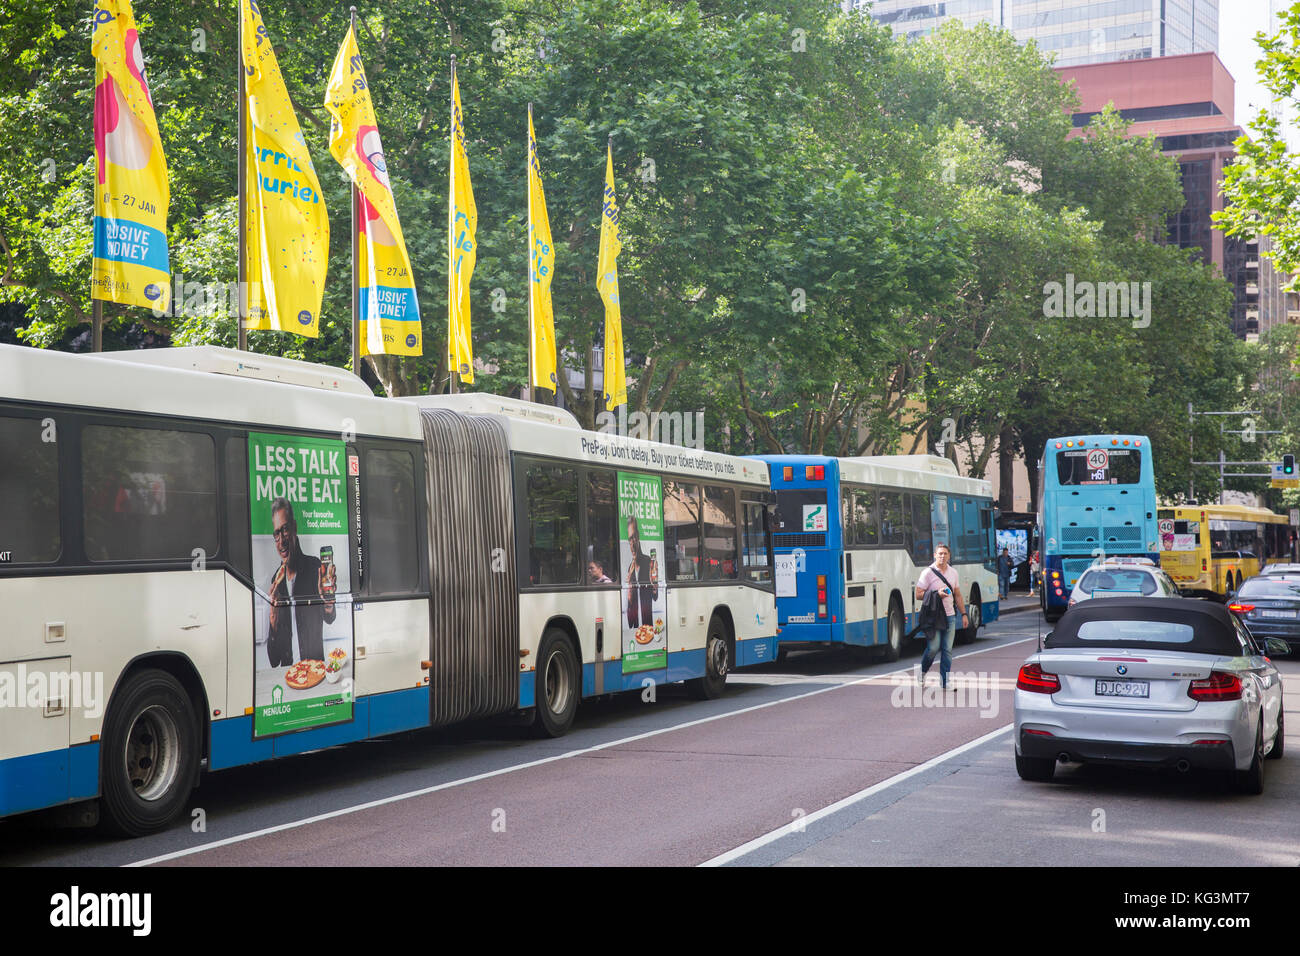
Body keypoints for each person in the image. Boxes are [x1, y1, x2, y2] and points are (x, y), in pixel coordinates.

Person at [265, 497, 336, 667]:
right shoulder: (276, 581)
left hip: (315, 670)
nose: (281, 541)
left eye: (285, 530)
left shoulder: (315, 568)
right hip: (288, 675)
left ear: (295, 528)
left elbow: (330, 618)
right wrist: (273, 616)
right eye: (276, 534)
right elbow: (274, 660)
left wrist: (328, 601)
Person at [915, 544, 967, 691]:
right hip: (933, 617)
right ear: (934, 555)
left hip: (950, 616)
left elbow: (957, 594)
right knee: (933, 648)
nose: (942, 556)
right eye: (940, 554)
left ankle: (945, 682)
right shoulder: (927, 573)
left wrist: (964, 614)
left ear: (949, 556)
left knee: (947, 650)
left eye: (945, 554)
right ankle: (923, 672)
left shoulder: (953, 573)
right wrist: (936, 593)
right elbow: (918, 594)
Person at [625, 515, 656, 628]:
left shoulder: (648, 561)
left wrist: (654, 587)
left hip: (647, 628)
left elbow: (655, 596)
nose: (632, 544)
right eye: (629, 539)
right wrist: (628, 592)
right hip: (634, 626)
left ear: (638, 537)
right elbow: (629, 602)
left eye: (633, 538)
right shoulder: (630, 568)